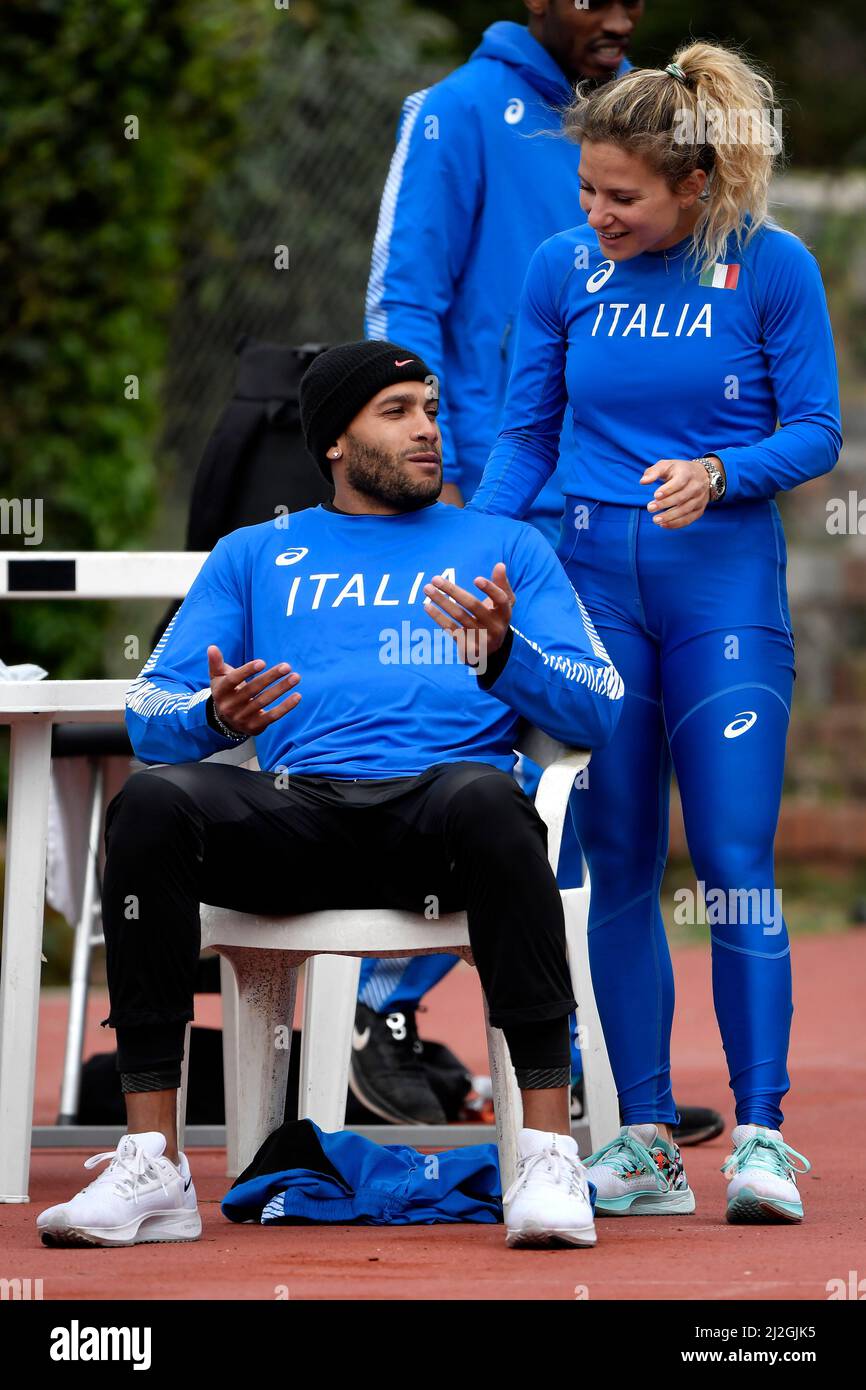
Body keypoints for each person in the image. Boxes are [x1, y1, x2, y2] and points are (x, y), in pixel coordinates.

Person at [36, 339, 625, 1250]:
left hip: (440, 818)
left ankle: (546, 1155)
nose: (427, 429)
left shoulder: (506, 547)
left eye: (429, 409)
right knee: (150, 805)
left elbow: (602, 706)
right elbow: (149, 714)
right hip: (296, 813)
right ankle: (153, 1159)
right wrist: (215, 715)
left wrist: (506, 657)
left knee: (489, 799)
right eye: (397, 413)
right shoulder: (253, 555)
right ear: (335, 444)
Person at [469, 42, 842, 1223]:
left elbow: (817, 432)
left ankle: (762, 1137)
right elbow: (526, 435)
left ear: (693, 184)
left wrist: (723, 470)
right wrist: (455, 546)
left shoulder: (771, 268)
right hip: (592, 592)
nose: (595, 213)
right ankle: (640, 1138)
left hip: (720, 594)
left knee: (731, 861)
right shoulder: (558, 270)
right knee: (616, 859)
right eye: (584, 191)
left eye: (618, 196)